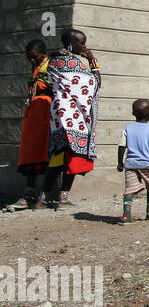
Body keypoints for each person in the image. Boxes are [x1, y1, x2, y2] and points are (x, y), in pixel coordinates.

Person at [44, 29, 101, 209]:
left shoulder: (54, 60)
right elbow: (95, 83)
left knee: (57, 158)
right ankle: (62, 198)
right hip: (73, 118)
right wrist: (92, 59)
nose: (84, 46)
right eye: (81, 43)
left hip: (58, 117)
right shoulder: (70, 63)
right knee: (74, 157)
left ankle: (44, 196)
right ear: (70, 43)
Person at [17, 39, 52, 209]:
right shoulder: (36, 67)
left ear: (43, 54)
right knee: (31, 151)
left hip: (45, 114)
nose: (31, 60)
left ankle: (43, 195)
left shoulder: (50, 66)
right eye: (29, 57)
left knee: (43, 152)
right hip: (34, 115)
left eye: (34, 57)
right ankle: (29, 192)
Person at [117, 98, 149, 222]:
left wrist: (120, 162)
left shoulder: (127, 128)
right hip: (147, 164)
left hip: (131, 164)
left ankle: (126, 215)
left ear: (133, 113)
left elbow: (122, 146)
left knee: (129, 189)